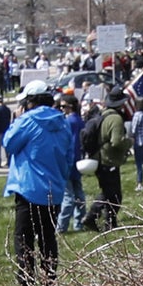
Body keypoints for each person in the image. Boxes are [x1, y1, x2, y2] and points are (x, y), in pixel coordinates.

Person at [2, 79, 71, 286]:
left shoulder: (28, 121)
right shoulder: (63, 122)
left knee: (24, 240)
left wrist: (18, 119)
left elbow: (9, 143)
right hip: (55, 190)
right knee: (48, 239)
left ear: (29, 102)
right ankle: (50, 285)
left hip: (29, 189)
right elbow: (69, 155)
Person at [83, 84, 133, 232]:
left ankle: (108, 223)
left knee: (109, 193)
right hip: (108, 160)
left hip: (101, 159)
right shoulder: (116, 119)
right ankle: (93, 218)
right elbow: (116, 141)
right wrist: (129, 142)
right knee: (113, 195)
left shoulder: (104, 115)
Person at [56, 94, 88, 234]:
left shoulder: (68, 122)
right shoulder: (80, 121)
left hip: (68, 163)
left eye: (63, 106)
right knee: (79, 194)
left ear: (70, 107)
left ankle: (61, 226)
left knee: (68, 197)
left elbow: (68, 144)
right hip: (78, 162)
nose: (61, 109)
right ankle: (79, 222)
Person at [131, 96, 143, 191]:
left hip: (139, 143)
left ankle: (140, 183)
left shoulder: (137, 115)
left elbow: (133, 130)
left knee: (139, 164)